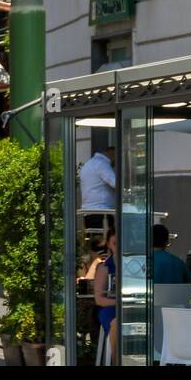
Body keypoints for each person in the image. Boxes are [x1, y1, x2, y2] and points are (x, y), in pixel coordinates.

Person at [91, 226, 118, 363]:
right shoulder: (105, 267)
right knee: (117, 323)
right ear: (108, 244)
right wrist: (120, 303)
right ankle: (115, 361)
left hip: (131, 308)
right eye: (115, 244)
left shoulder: (134, 264)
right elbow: (99, 299)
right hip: (111, 308)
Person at [78, 145, 117, 212]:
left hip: (88, 209)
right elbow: (115, 183)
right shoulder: (102, 164)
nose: (116, 162)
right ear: (112, 153)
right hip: (101, 210)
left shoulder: (88, 163)